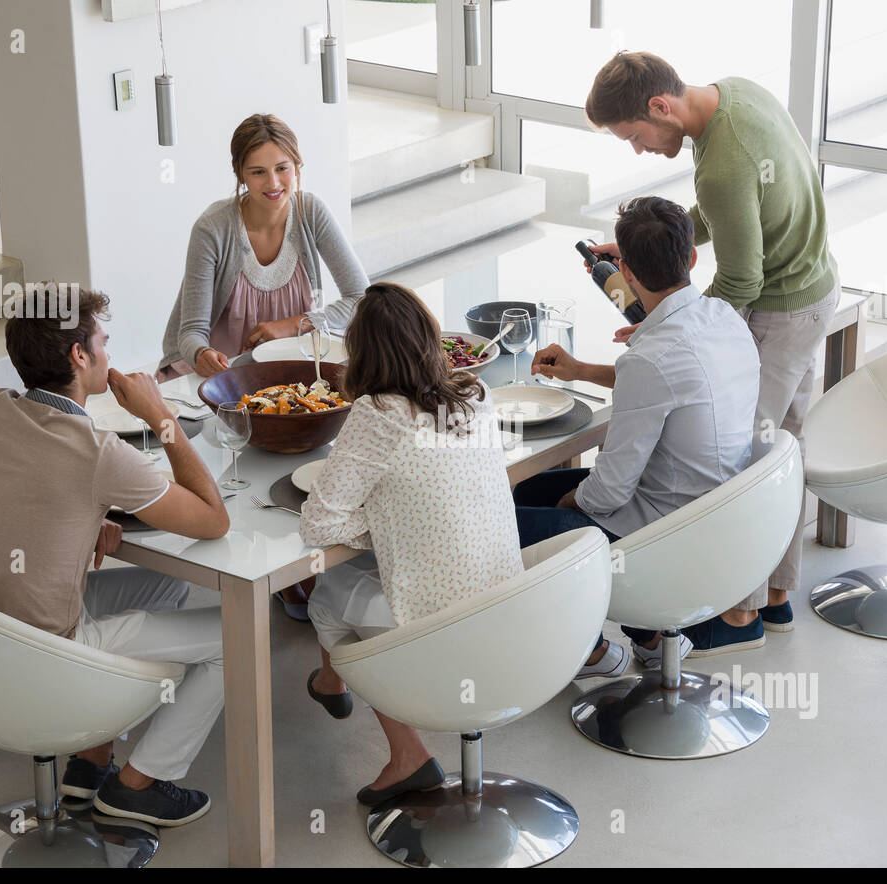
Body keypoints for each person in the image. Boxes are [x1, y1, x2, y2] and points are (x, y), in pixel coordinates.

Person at [0, 283, 230, 827]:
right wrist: (158, 415)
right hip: (50, 656)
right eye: (103, 340)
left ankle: (91, 757)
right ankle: (140, 784)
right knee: (236, 636)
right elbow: (213, 519)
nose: (110, 350)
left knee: (169, 589)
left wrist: (80, 510)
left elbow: (23, 478)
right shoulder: (99, 453)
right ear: (80, 356)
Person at [584, 52, 840, 632]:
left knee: (744, 463)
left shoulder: (721, 164)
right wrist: (639, 252)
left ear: (660, 106)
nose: (639, 149)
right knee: (781, 452)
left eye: (636, 135)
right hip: (816, 287)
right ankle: (774, 595)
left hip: (779, 309)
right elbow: (725, 213)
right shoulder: (734, 96)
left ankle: (737, 610)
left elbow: (742, 279)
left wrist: (673, 324)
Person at [299, 283, 524, 806]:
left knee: (327, 595)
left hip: (443, 635)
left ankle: (407, 756)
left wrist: (381, 521)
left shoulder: (378, 414)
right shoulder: (476, 394)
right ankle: (330, 684)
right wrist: (400, 516)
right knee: (353, 583)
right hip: (512, 616)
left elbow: (318, 526)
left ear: (362, 353)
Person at [523, 196, 760, 664]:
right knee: (526, 490)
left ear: (625, 272)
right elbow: (670, 385)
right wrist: (582, 371)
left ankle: (595, 655)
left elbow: (608, 492)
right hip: (724, 522)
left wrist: (573, 502)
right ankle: (653, 643)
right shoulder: (724, 319)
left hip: (667, 543)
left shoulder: (650, 358)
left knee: (500, 521)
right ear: (691, 258)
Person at [157, 113, 368, 383]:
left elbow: (361, 299)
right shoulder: (212, 228)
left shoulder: (311, 212)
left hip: (287, 368)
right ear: (240, 174)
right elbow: (190, 332)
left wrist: (294, 324)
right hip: (217, 376)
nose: (273, 183)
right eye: (258, 172)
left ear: (297, 166)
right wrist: (202, 353)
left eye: (282, 168)